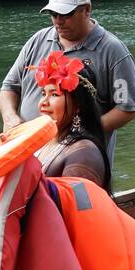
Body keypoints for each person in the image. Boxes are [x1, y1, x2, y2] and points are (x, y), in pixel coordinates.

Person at [0, 0, 135, 164]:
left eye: (66, 13)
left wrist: (80, 133)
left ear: (87, 10)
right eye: (53, 13)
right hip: (28, 153)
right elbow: (9, 87)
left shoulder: (112, 50)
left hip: (79, 160)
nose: (58, 20)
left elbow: (127, 108)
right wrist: (10, 117)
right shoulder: (37, 40)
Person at [31, 50, 112, 188]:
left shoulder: (84, 153)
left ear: (78, 105)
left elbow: (78, 208)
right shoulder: (44, 143)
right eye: (43, 93)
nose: (43, 102)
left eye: (55, 94)